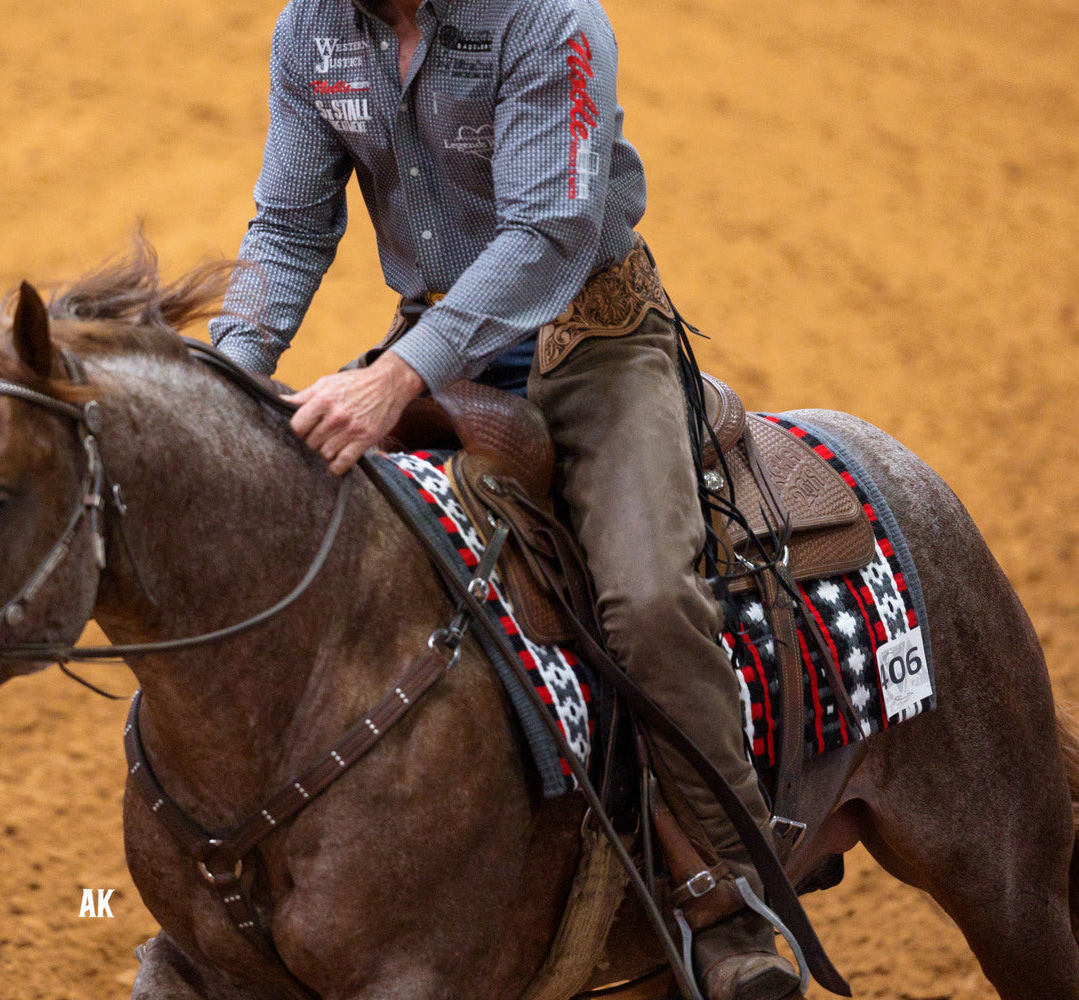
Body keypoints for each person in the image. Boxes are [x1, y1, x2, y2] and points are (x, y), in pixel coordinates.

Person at [208, 0, 797, 996]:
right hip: (439, 351)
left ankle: (734, 902)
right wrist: (225, 384)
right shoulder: (311, 29)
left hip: (593, 344)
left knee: (649, 600)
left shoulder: (549, 19)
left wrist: (395, 379)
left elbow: (549, 232)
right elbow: (291, 225)